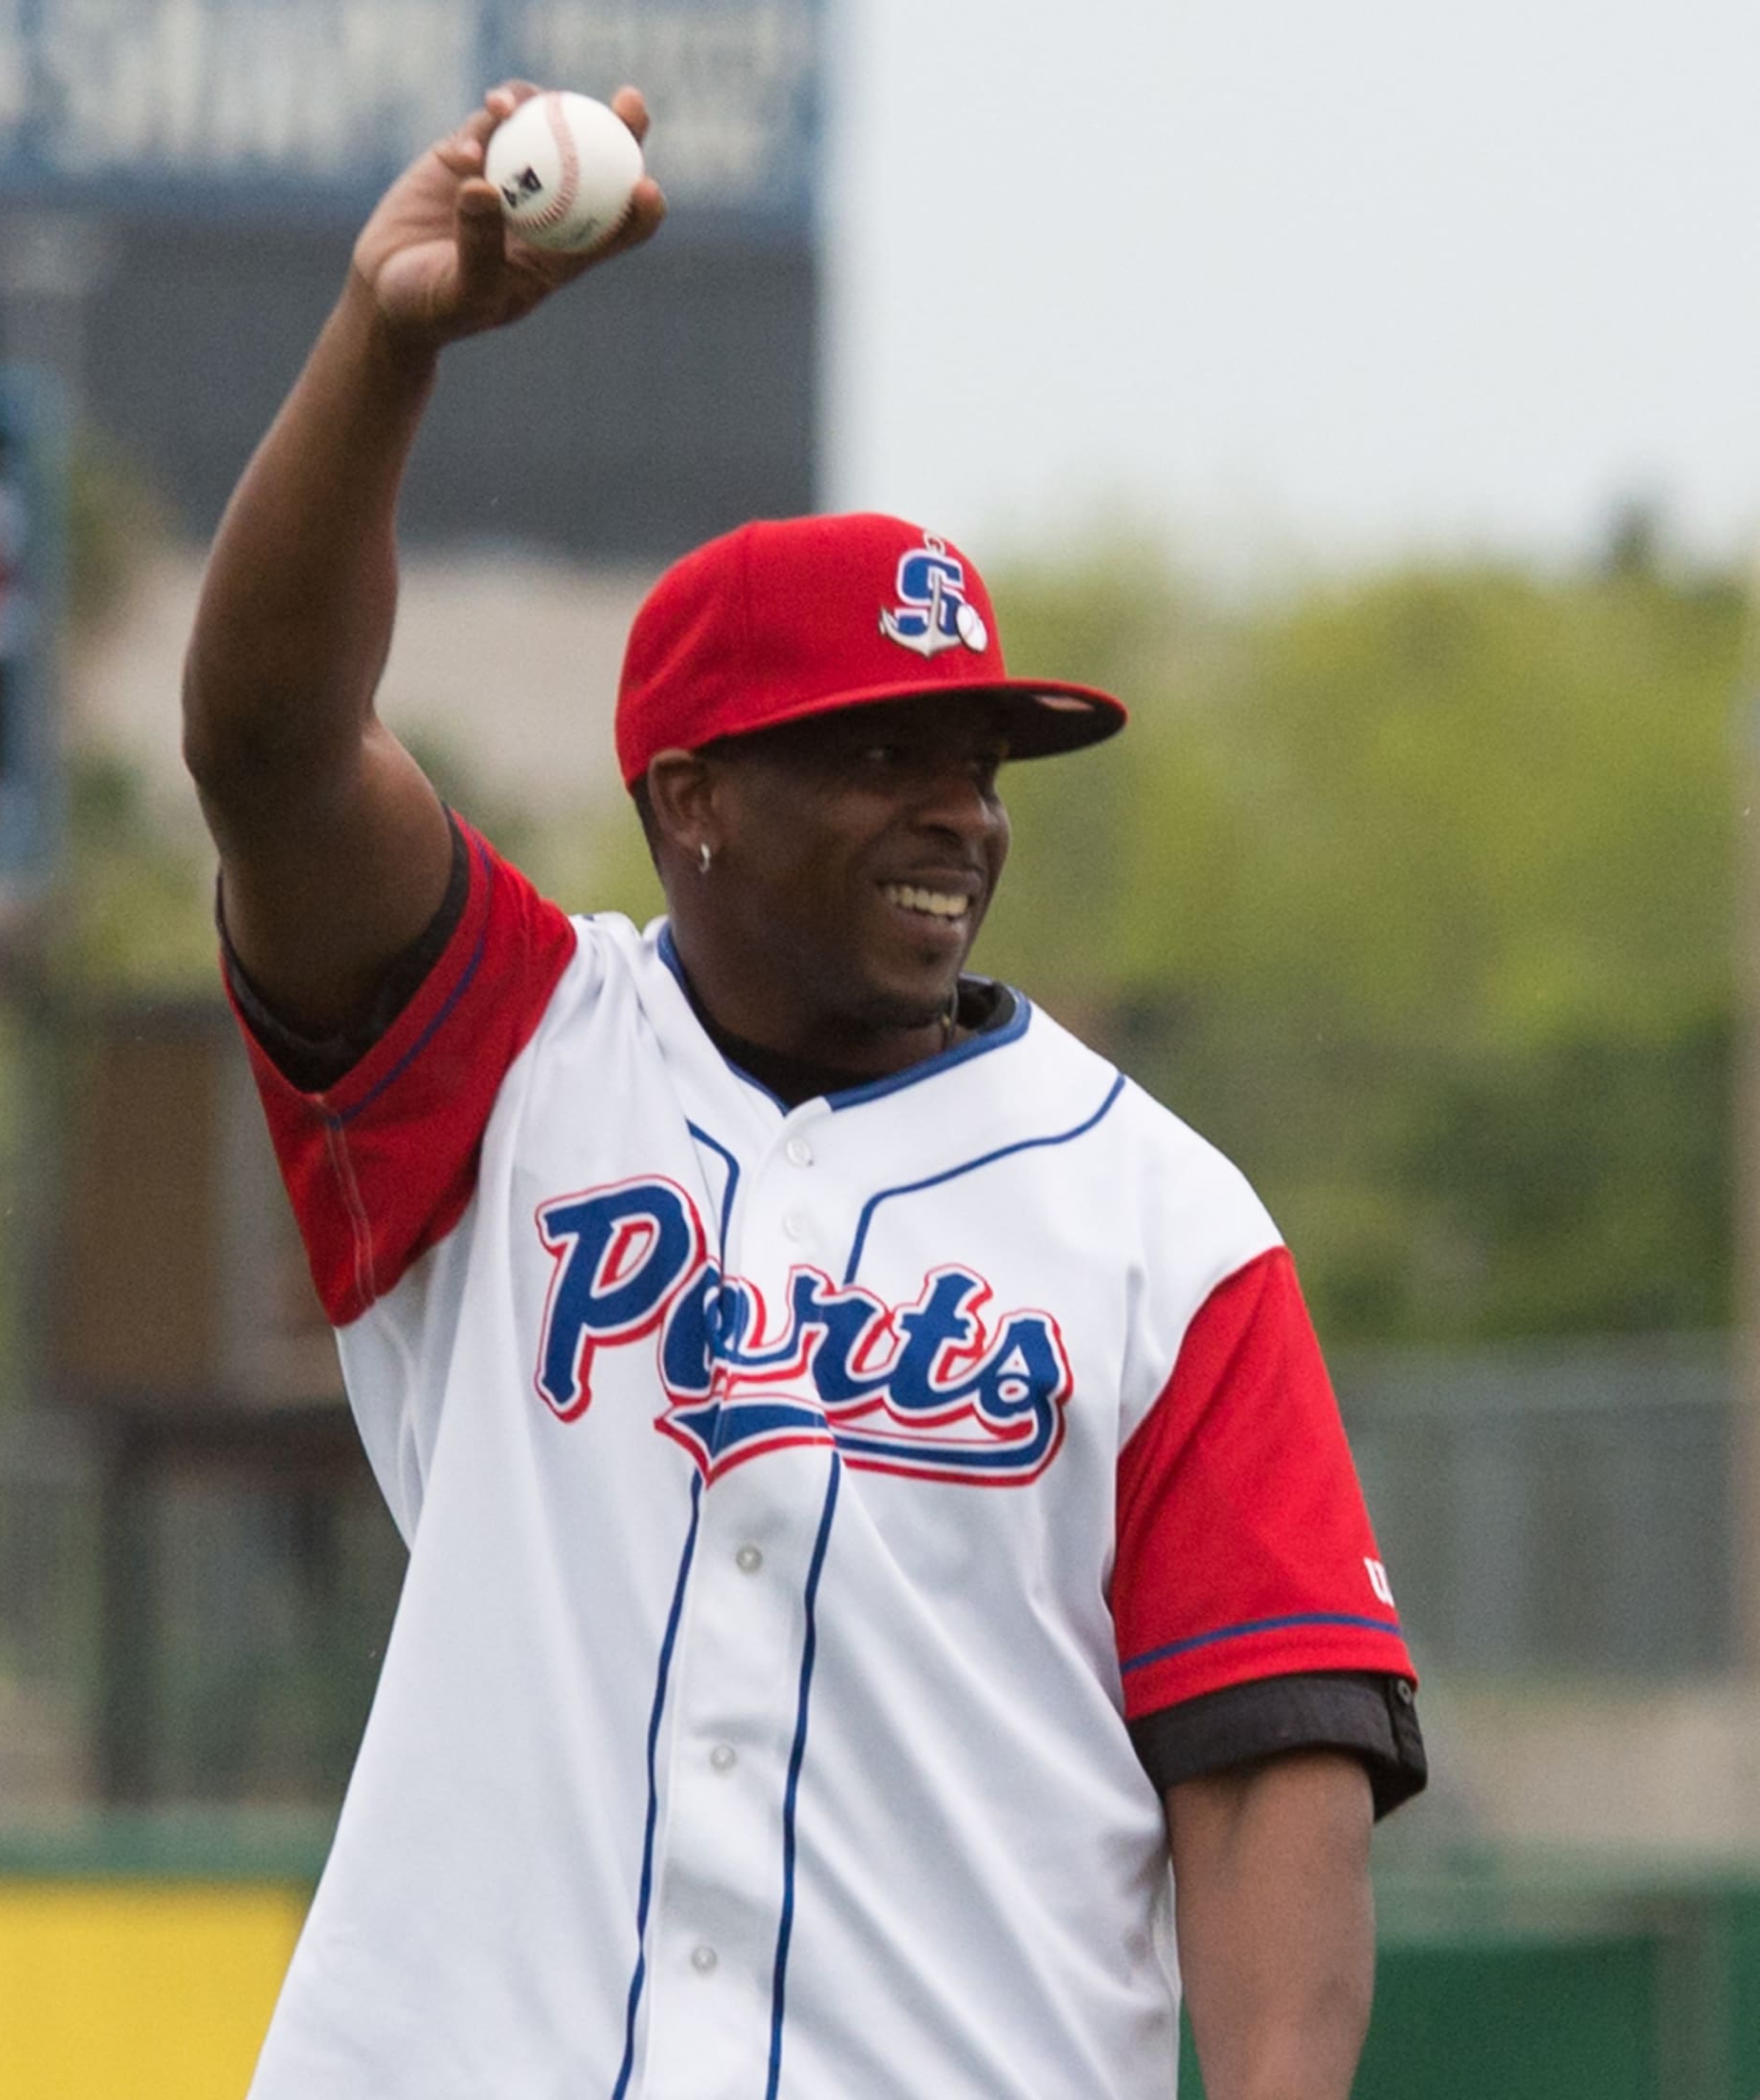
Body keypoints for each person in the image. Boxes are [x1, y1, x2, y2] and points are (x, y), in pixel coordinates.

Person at [185, 82, 1425, 2100]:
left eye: (980, 759)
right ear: (691, 802)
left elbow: (1275, 1765)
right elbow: (266, 746)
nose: (954, 810)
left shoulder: (1166, 1232)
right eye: (877, 755)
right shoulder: (508, 1057)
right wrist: (385, 347)